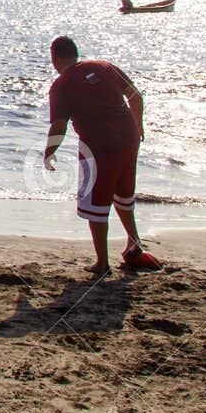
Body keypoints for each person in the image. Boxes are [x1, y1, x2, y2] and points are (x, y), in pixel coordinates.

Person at [42, 35, 158, 275]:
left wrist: (49, 153)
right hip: (128, 136)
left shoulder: (61, 85)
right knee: (122, 193)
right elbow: (136, 96)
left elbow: (59, 126)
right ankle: (134, 244)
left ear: (54, 57)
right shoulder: (104, 66)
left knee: (96, 203)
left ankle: (102, 262)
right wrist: (139, 126)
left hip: (98, 144)